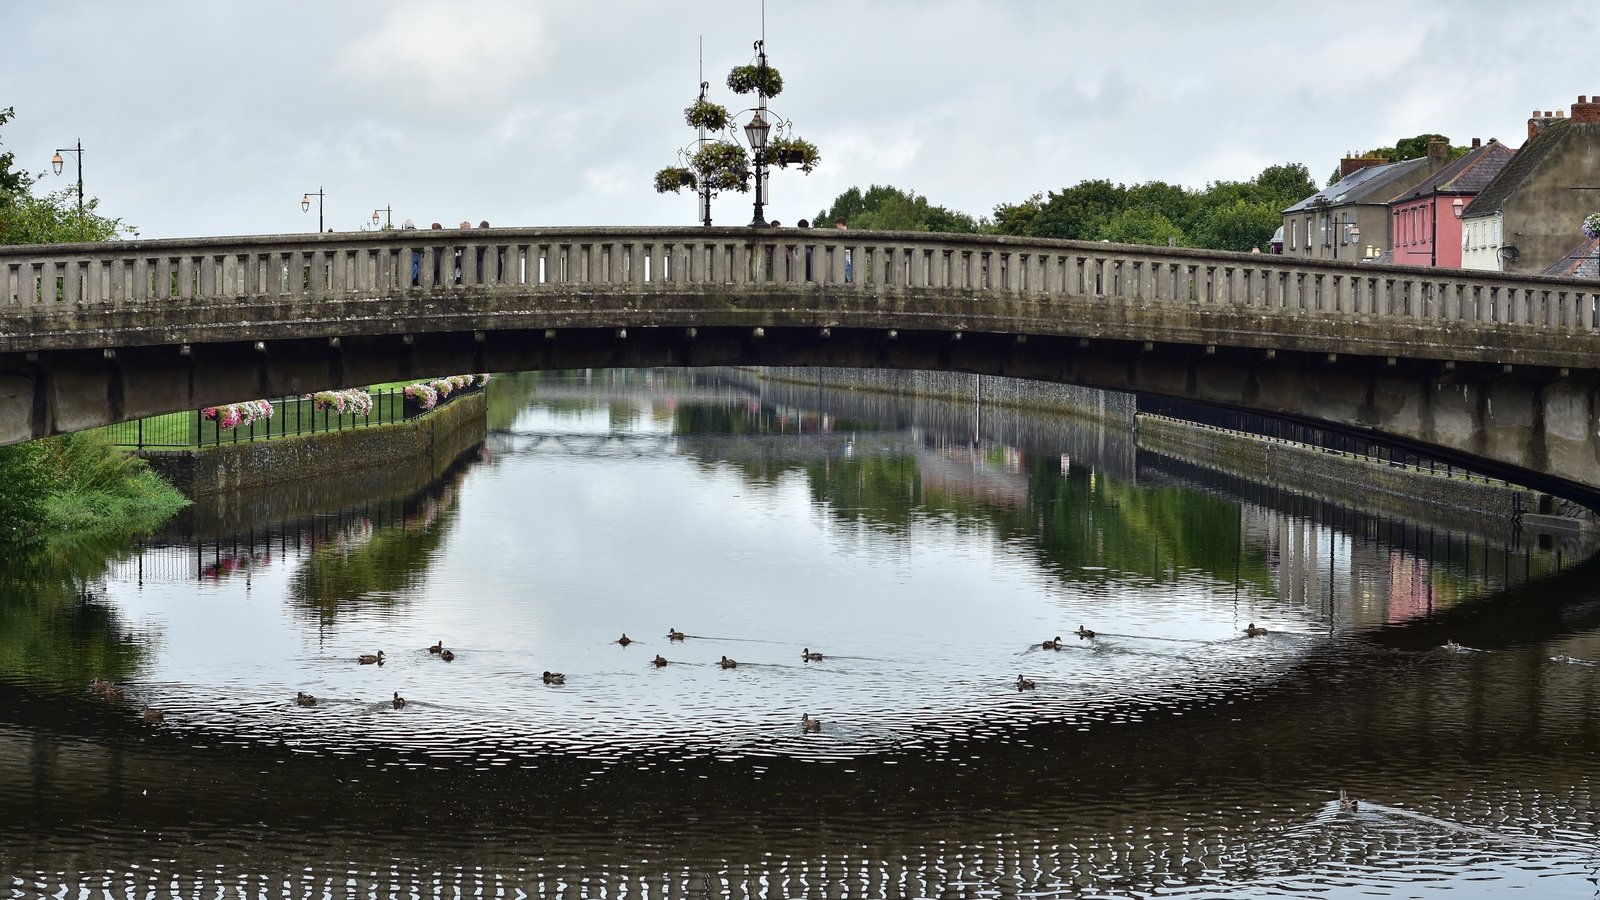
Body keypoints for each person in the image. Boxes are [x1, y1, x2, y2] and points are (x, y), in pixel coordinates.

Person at [403, 219, 419, 286]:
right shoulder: (417, 233)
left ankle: (412, 280)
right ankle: (415, 280)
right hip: (416, 255)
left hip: (410, 256)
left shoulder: (403, 234)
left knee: (413, 266)